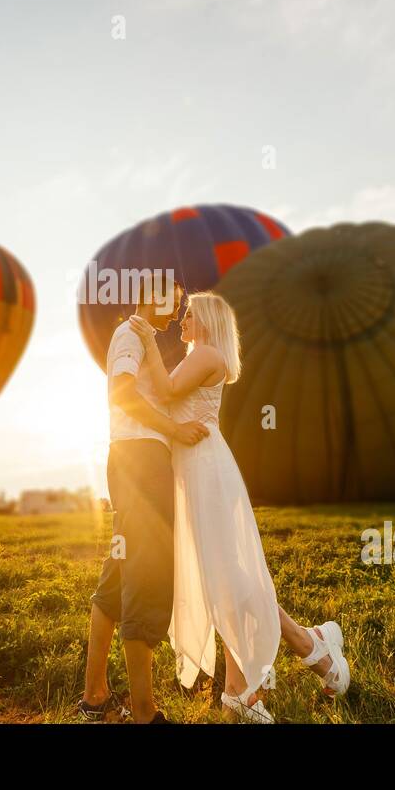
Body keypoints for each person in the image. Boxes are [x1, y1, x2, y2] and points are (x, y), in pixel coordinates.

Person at [121, 291, 351, 724]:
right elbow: (163, 394)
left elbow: (168, 390)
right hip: (192, 470)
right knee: (222, 579)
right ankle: (250, 682)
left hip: (207, 471)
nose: (182, 321)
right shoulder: (198, 355)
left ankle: (310, 647)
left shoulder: (207, 355)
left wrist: (147, 340)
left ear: (207, 320)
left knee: (233, 576)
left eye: (189, 315)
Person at [78, 278, 211, 725]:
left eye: (179, 307)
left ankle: (95, 696)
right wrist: (173, 432)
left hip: (133, 458)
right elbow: (124, 395)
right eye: (172, 304)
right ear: (149, 298)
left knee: (117, 577)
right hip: (141, 460)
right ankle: (144, 712)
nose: (176, 314)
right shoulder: (129, 335)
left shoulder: (142, 338)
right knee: (147, 576)